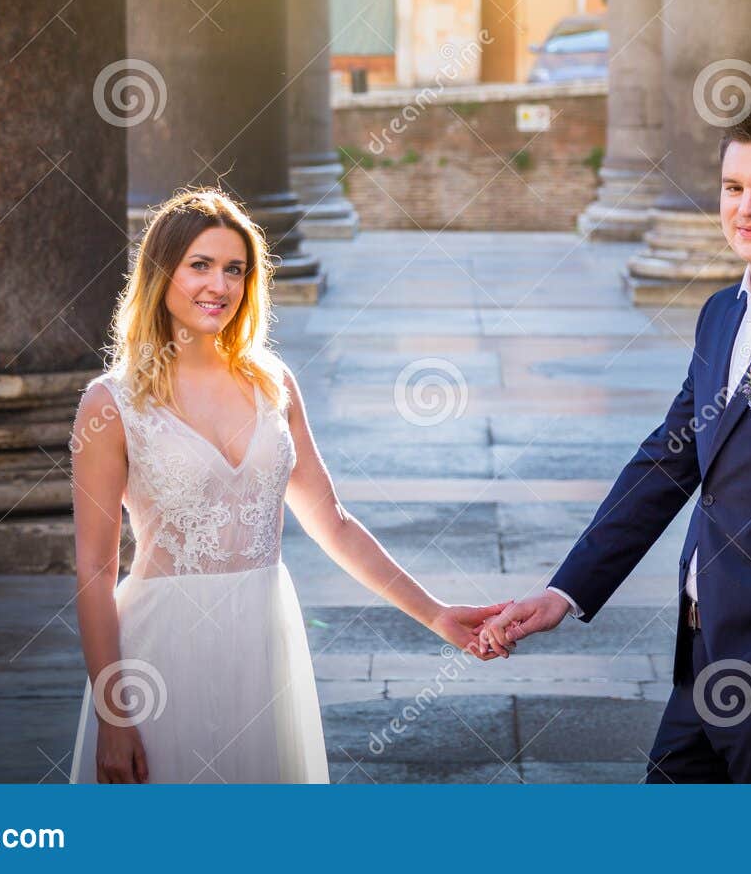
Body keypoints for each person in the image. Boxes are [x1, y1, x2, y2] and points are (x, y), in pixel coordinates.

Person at [482, 102, 751, 783]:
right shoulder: (720, 315)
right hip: (705, 653)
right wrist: (565, 592)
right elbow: (667, 462)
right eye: (733, 188)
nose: (747, 206)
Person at [68, 187, 505, 783]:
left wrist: (435, 615)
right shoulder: (112, 403)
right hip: (160, 654)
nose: (218, 286)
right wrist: (114, 713)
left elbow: (334, 523)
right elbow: (94, 571)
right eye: (200, 265)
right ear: (160, 272)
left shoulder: (273, 383)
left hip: (263, 639)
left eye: (234, 270)